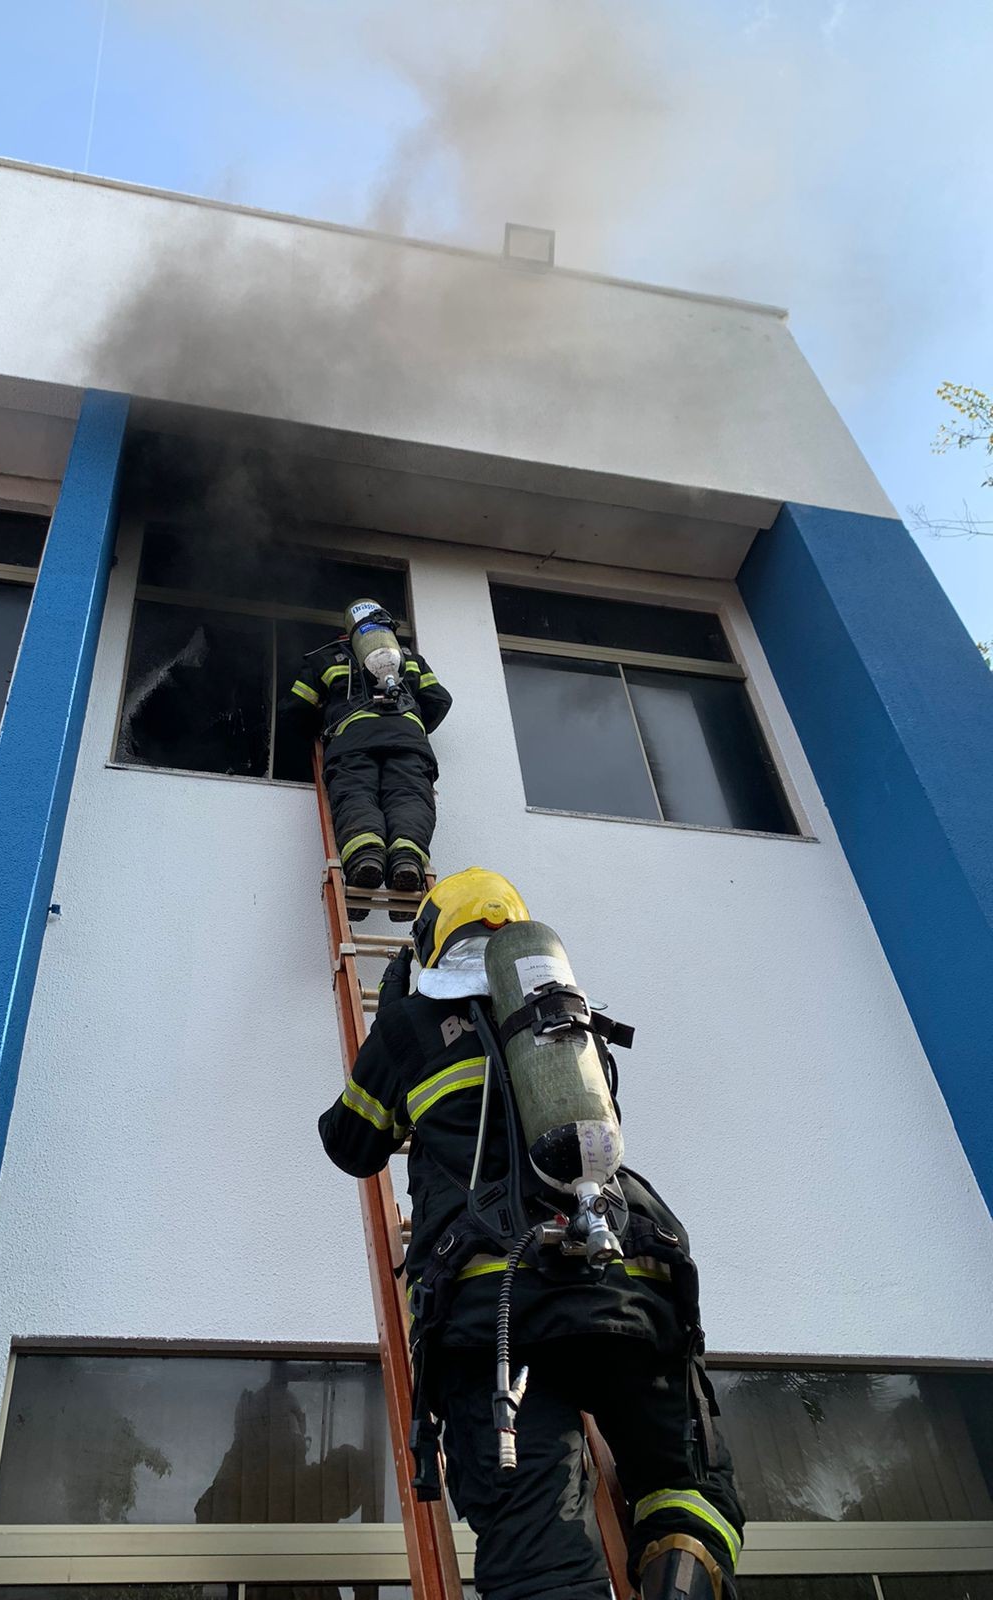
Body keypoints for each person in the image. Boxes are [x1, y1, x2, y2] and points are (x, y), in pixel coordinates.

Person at [318, 867, 745, 1600]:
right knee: (686, 1489)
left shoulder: (408, 1025)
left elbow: (350, 1145)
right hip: (626, 1285)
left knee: (536, 1543)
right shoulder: (568, 1015)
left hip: (496, 1311)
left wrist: (395, 1018)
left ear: (431, 941)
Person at [283, 599, 451, 918]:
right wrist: (412, 727)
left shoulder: (324, 658)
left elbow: (295, 708)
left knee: (356, 794)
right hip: (408, 741)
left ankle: (365, 858)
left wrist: (322, 729)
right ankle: (407, 861)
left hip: (351, 742)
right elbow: (439, 699)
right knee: (409, 797)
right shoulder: (409, 658)